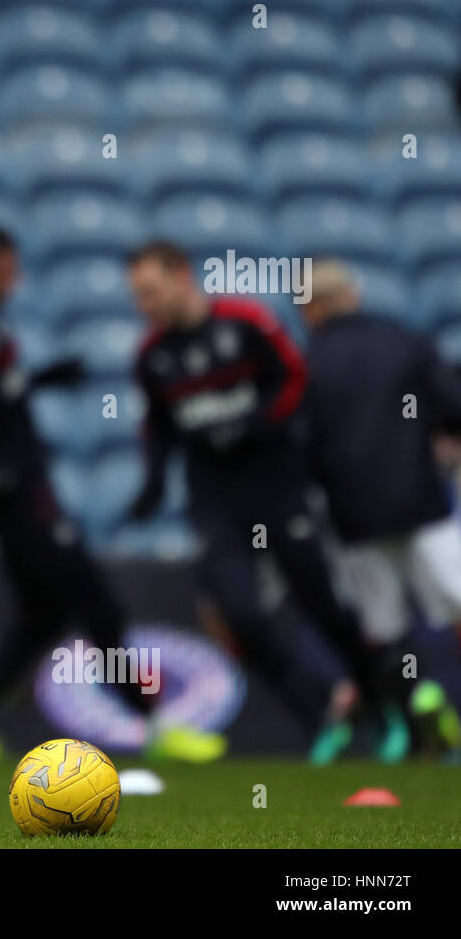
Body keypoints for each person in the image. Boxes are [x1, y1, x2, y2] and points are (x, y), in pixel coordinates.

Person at [0, 222, 225, 762]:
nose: (13, 281)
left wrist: (37, 382)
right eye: (7, 270)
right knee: (95, 602)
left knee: (44, 614)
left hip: (25, 489)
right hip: (16, 499)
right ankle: (153, 724)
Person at [126, 240, 406, 763]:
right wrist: (152, 482)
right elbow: (157, 427)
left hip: (276, 488)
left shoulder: (246, 321)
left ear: (181, 276)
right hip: (216, 500)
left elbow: (295, 380)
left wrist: (261, 422)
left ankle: (380, 702)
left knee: (322, 603)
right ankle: (320, 709)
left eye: (150, 292)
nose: (146, 306)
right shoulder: (152, 356)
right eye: (138, 298)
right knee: (237, 616)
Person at [302, 259, 461, 754]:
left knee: (383, 629)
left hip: (355, 520)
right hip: (423, 507)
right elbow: (453, 408)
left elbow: (300, 448)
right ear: (351, 293)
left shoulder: (307, 365)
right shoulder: (404, 344)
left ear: (309, 308)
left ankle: (413, 725)